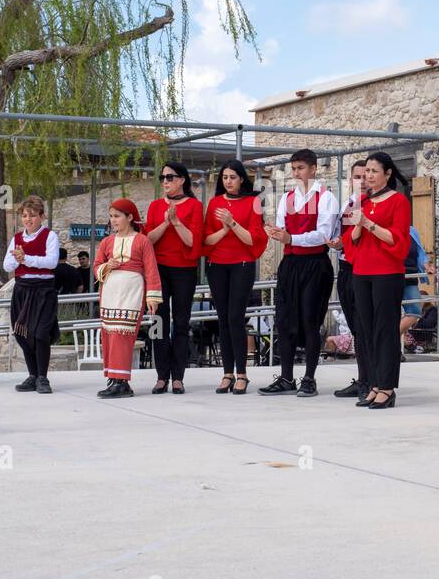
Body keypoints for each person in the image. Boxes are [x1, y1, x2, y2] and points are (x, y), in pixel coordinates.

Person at [260, 149, 339, 398]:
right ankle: (286, 377)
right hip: (291, 263)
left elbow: (323, 235)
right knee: (284, 321)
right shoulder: (287, 198)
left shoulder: (327, 198)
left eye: (301, 168)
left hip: (315, 264)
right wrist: (275, 231)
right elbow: (283, 227)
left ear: (314, 169)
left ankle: (309, 378)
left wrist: (291, 237)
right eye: (294, 169)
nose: (296, 173)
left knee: (309, 320)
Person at [347, 151, 412, 409]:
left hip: (386, 271)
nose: (369, 176)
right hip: (361, 271)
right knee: (366, 330)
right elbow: (352, 239)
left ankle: (387, 387)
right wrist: (359, 225)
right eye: (366, 172)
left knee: (385, 330)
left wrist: (369, 223)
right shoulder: (361, 201)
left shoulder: (399, 202)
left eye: (374, 171)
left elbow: (398, 240)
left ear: (387, 173)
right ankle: (374, 384)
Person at [204, 159, 268, 394]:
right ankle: (227, 373)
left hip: (242, 265)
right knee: (222, 318)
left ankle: (242, 373)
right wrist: (225, 228)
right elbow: (207, 241)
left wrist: (231, 223)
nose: (228, 181)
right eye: (224, 177)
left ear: (242, 178)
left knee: (235, 317)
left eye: (232, 177)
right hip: (217, 265)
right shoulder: (214, 204)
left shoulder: (253, 202)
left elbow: (254, 239)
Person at [145, 161, 205, 394]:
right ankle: (161, 376)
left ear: (182, 180)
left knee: (181, 322)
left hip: (184, 270)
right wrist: (165, 222)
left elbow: (193, 241)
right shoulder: (154, 206)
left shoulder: (194, 206)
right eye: (162, 178)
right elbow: (148, 238)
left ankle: (178, 376)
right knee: (158, 323)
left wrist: (176, 221)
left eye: (170, 177)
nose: (166, 182)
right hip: (158, 269)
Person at [93, 199, 162, 398]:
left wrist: (153, 297)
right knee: (110, 334)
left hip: (132, 291)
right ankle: (114, 378)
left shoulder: (142, 241)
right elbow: (96, 268)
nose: (113, 220)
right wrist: (108, 266)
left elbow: (151, 269)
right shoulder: (106, 242)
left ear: (130, 217)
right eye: (111, 216)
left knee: (123, 333)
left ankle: (122, 382)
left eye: (117, 216)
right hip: (110, 293)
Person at [4, 195, 61, 395]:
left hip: (43, 290)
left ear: (42, 216)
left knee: (40, 333)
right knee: (22, 333)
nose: (28, 219)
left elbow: (51, 262)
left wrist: (25, 258)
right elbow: (7, 265)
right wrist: (17, 259)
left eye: (33, 215)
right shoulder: (17, 239)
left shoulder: (50, 236)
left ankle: (43, 377)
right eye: (25, 216)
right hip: (22, 289)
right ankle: (32, 375)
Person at [327, 160, 368, 398]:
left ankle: (369, 380)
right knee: (355, 326)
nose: (361, 181)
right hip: (344, 266)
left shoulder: (370, 205)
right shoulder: (348, 204)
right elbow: (340, 235)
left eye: (366, 175)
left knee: (364, 327)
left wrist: (346, 241)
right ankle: (363, 377)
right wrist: (336, 242)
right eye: (357, 176)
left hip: (361, 267)